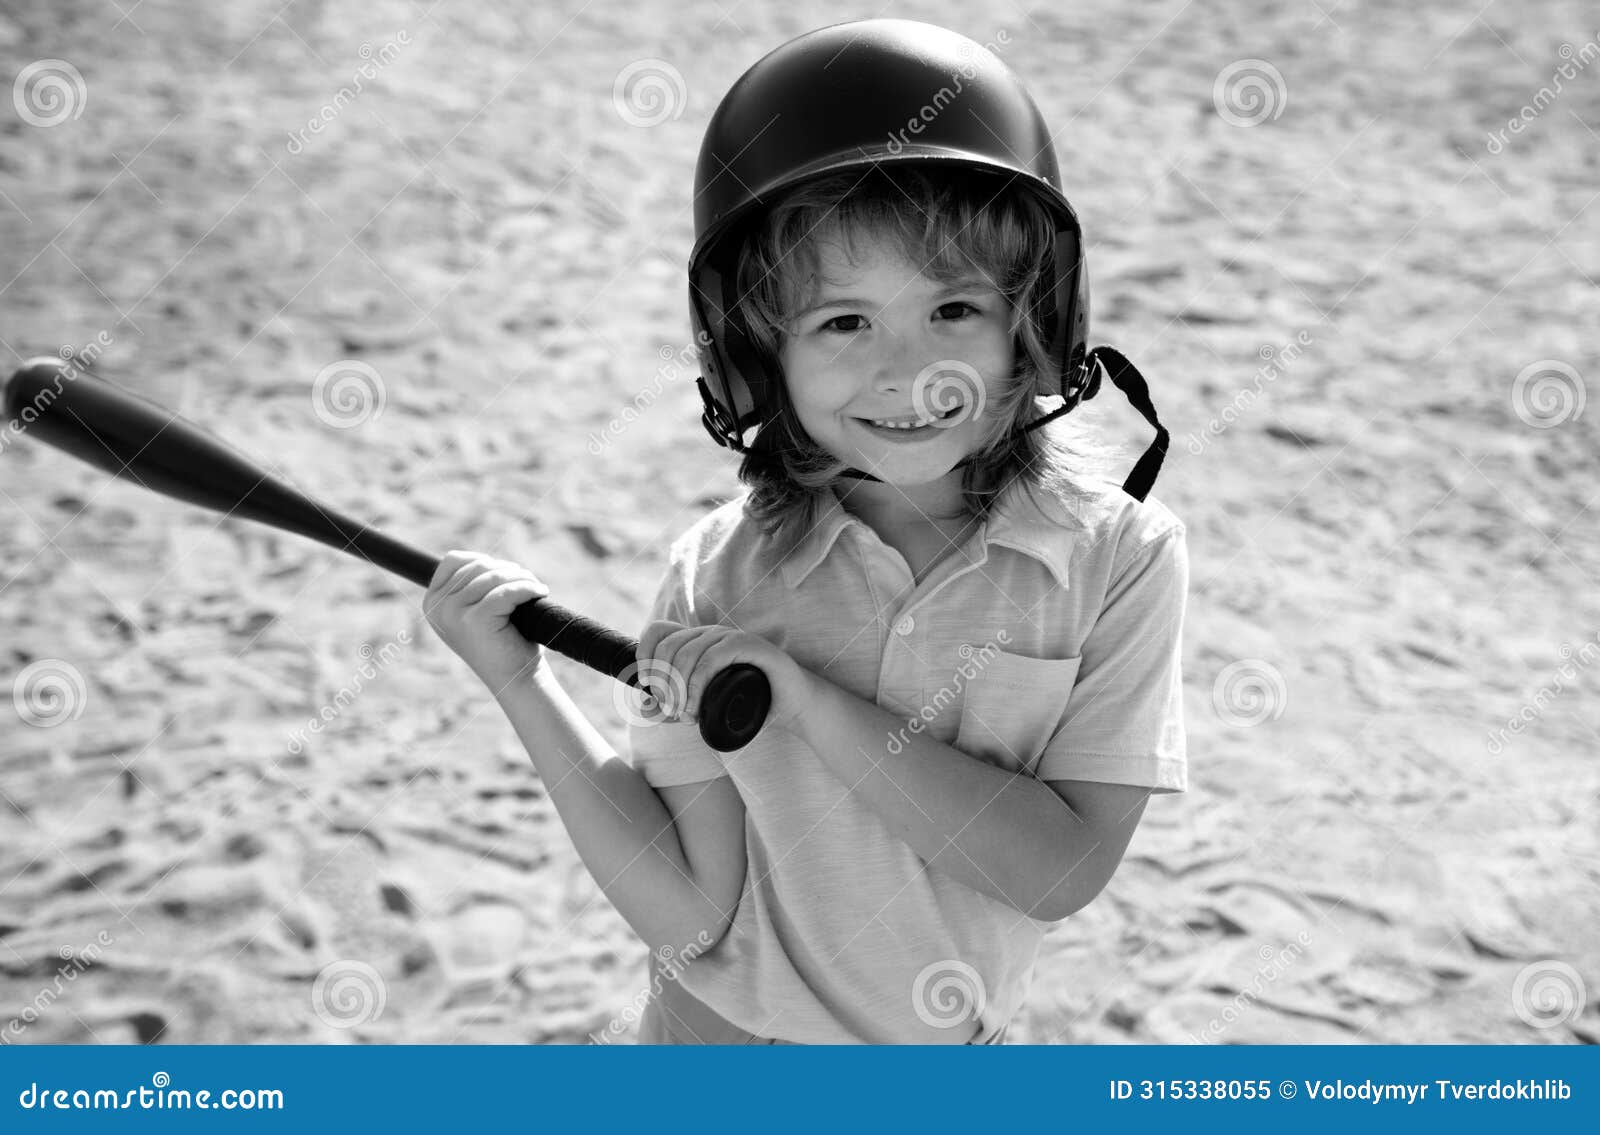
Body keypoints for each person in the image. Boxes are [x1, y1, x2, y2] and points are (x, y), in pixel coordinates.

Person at [423, 18, 1187, 1045]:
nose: (908, 373)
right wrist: (521, 686)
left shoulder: (1117, 558)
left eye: (954, 308)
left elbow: (1058, 870)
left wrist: (806, 705)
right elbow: (690, 914)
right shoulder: (718, 572)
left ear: (1033, 322)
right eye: (842, 322)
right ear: (754, 357)